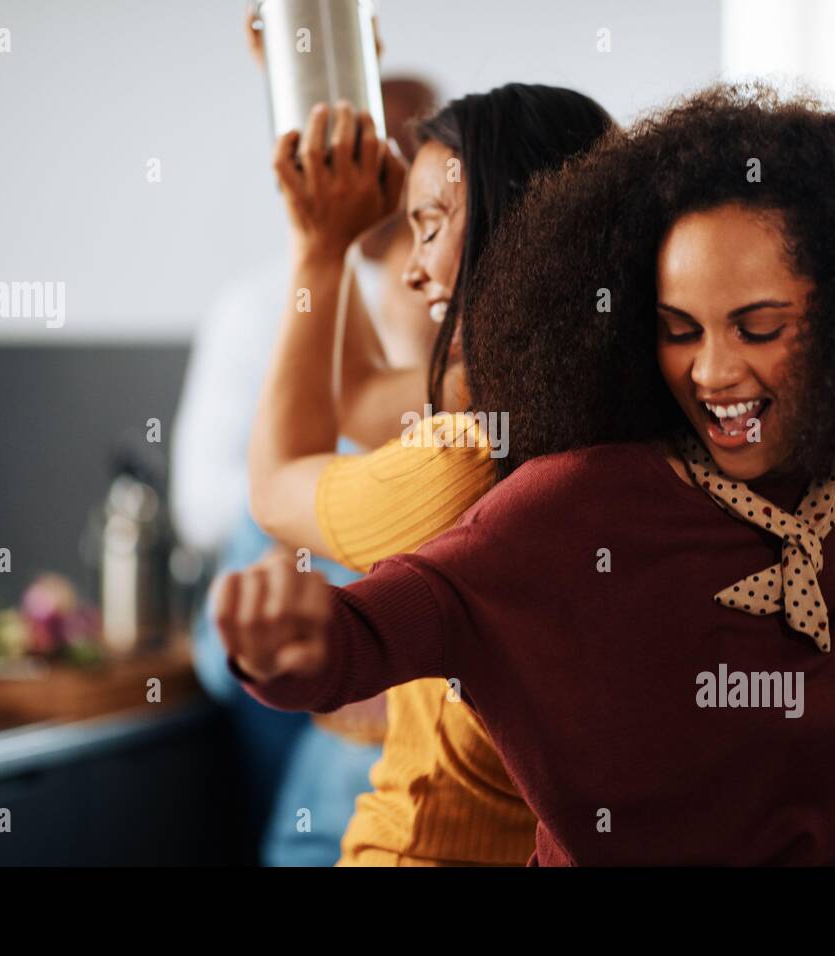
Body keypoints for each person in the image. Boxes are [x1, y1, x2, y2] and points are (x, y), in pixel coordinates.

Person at [216, 83, 835, 864]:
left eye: (758, 327)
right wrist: (290, 648)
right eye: (680, 329)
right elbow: (377, 630)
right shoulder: (572, 504)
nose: (713, 372)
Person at [247, 85, 615, 864]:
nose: (414, 271)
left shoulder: (468, 459)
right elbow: (351, 394)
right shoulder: (613, 423)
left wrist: (318, 247)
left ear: (516, 232)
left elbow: (276, 484)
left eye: (431, 228)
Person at [171, 11, 438, 861]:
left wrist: (317, 244)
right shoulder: (294, 302)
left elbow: (331, 428)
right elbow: (358, 401)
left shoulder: (470, 378)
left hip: (390, 783)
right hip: (334, 764)